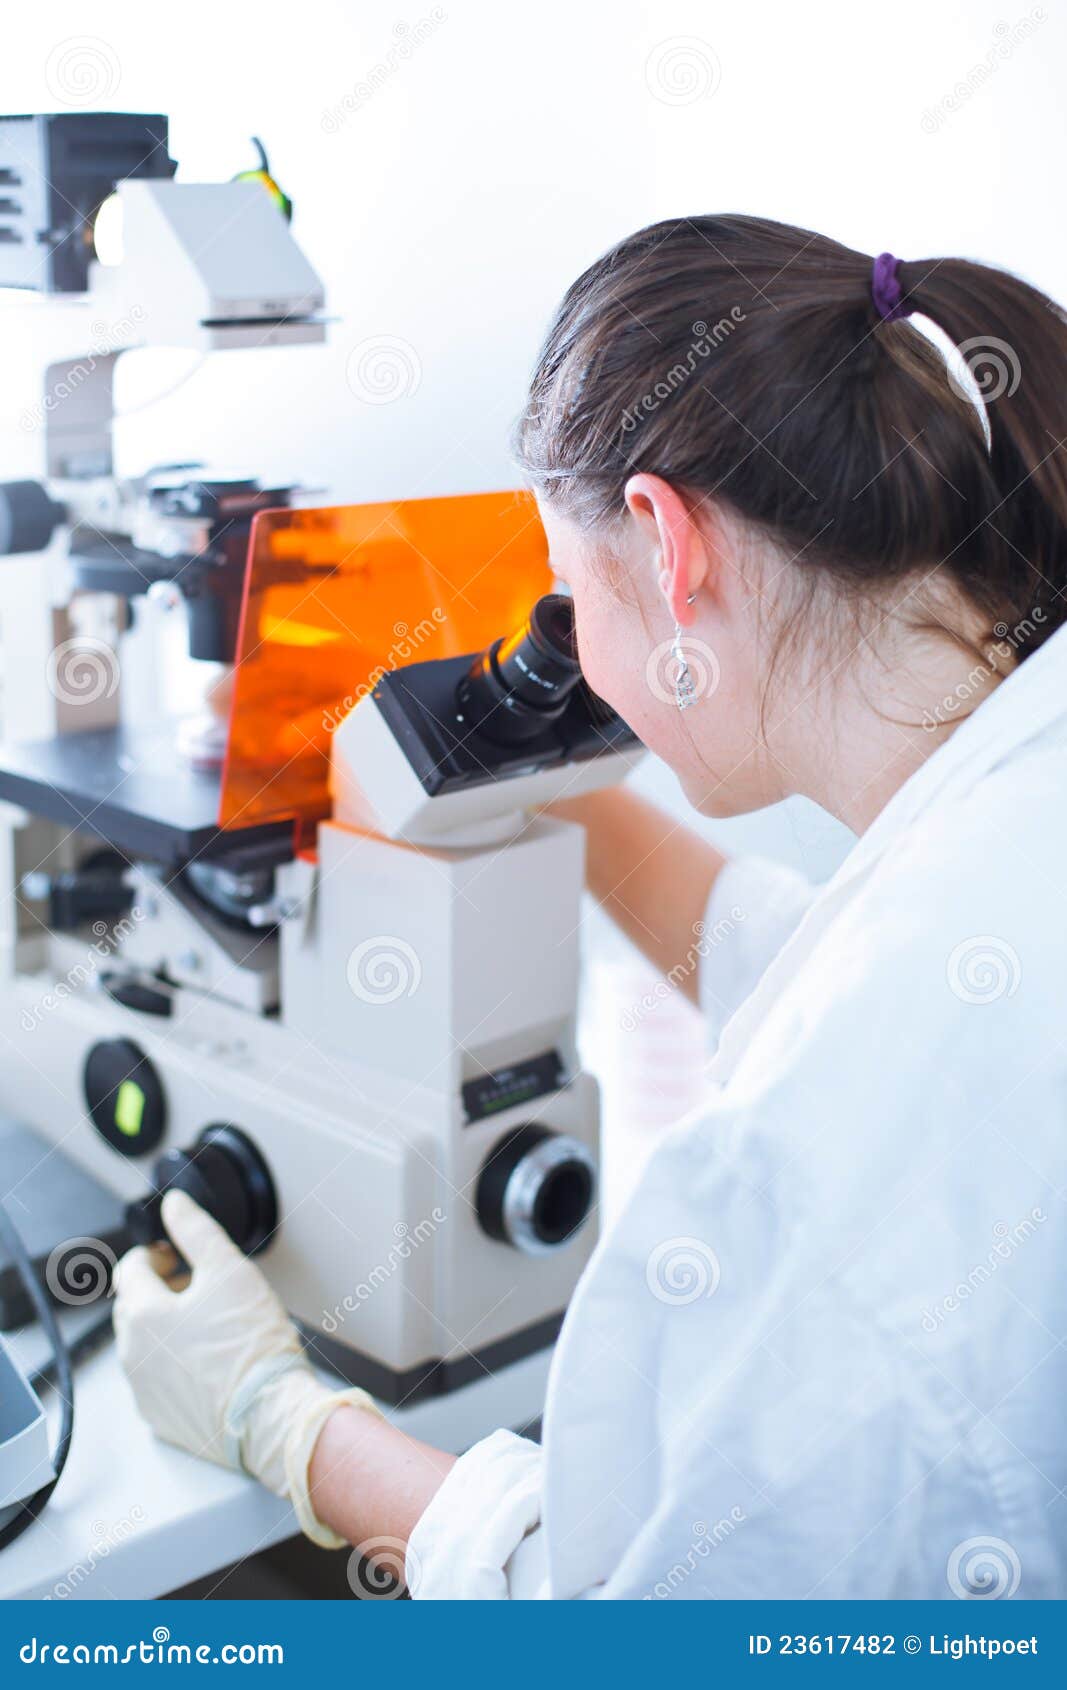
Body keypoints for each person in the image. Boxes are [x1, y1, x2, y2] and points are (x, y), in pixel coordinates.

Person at [113, 217, 1067, 1599]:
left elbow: (617, 1614)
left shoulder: (806, 1159)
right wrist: (497, 760)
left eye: (567, 605)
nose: (570, 655)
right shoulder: (999, 796)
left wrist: (287, 1419)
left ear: (666, 543)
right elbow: (814, 961)